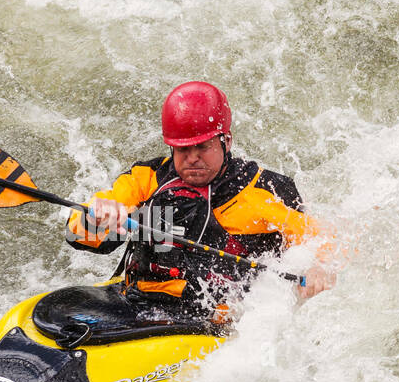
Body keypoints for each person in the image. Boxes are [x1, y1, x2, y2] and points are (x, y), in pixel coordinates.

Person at [65, 81, 334, 326]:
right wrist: (97, 216)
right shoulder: (147, 178)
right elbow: (78, 233)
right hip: (140, 302)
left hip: (220, 316)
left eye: (203, 147)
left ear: (225, 142)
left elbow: (320, 240)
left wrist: (317, 267)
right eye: (183, 149)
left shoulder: (262, 190)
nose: (192, 158)